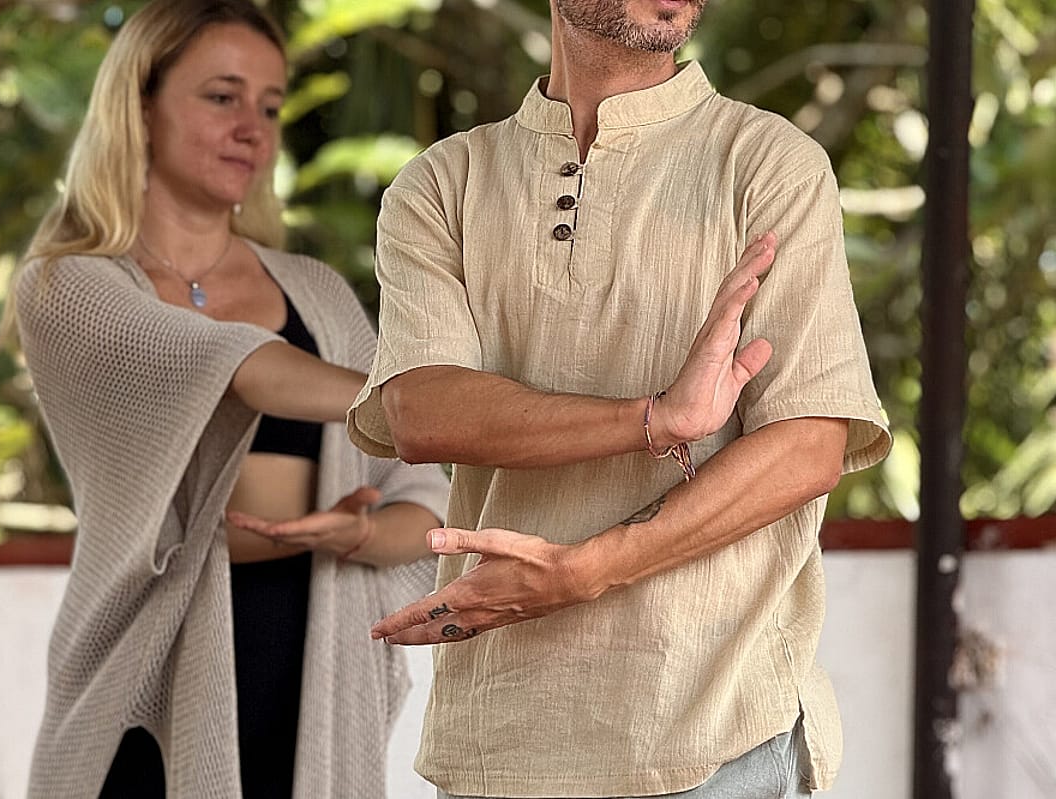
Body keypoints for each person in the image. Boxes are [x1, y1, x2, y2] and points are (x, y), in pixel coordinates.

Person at [347, 1, 892, 797]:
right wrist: (654, 419)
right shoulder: (441, 184)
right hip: (498, 745)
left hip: (715, 737)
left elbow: (809, 444)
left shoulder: (768, 163)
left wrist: (585, 571)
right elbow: (422, 412)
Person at [9, 1, 449, 797]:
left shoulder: (317, 293)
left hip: (307, 682)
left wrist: (361, 530)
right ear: (141, 105)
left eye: (270, 107)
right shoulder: (69, 286)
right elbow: (237, 367)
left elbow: (425, 499)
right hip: (141, 695)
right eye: (222, 97)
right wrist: (431, 410)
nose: (253, 129)